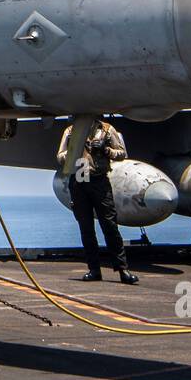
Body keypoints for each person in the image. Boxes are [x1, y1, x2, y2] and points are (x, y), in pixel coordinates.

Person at [56, 118, 138, 284]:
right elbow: (60, 156)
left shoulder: (107, 130)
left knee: (110, 225)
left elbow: (122, 153)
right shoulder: (71, 131)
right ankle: (94, 269)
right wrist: (73, 153)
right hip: (79, 179)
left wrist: (106, 150)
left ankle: (122, 269)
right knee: (86, 228)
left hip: (99, 179)